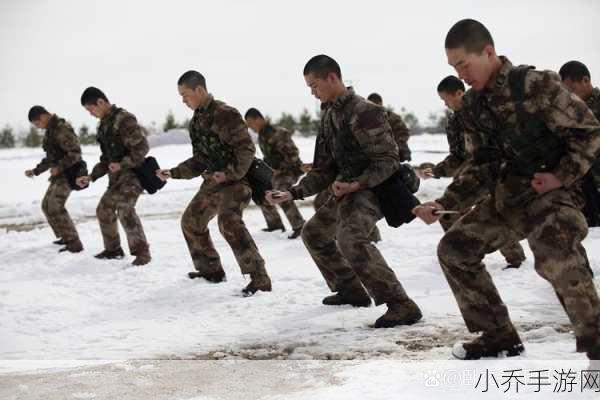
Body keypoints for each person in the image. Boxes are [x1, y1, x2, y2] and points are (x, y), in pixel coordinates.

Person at [413, 19, 600, 361]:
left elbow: (589, 132)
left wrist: (561, 175)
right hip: (507, 198)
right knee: (454, 249)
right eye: (454, 67)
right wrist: (445, 201)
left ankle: (597, 341)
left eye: (464, 64)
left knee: (554, 249)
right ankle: (498, 335)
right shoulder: (472, 106)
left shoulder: (535, 85)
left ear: (488, 52)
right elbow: (480, 164)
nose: (461, 74)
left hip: (551, 195)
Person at [267, 55, 422, 328]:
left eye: (314, 86)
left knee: (350, 237)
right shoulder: (329, 115)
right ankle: (351, 290)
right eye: (309, 88)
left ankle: (401, 304)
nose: (313, 93)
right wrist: (294, 192)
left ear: (332, 78)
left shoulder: (365, 111)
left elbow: (388, 161)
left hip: (375, 187)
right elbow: (324, 169)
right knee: (314, 233)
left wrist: (356, 184)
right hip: (348, 189)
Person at [156, 70, 271, 296]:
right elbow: (200, 159)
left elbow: (246, 149)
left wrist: (229, 174)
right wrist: (174, 172)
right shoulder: (196, 122)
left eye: (185, 95)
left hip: (237, 180)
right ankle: (211, 270)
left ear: (199, 90)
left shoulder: (225, 113)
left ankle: (259, 278)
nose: (183, 100)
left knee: (229, 221)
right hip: (213, 182)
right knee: (191, 221)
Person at [77, 87, 151, 266]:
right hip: (116, 178)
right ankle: (113, 250)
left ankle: (142, 254)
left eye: (91, 109)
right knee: (104, 209)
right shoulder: (104, 125)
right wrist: (91, 176)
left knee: (125, 209)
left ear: (101, 102)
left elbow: (142, 148)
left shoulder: (124, 119)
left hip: (133, 175)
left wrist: (122, 164)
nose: (91, 114)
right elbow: (106, 160)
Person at [25, 106, 84, 253]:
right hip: (59, 174)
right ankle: (65, 236)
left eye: (37, 124)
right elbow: (51, 158)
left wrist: (60, 167)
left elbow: (75, 153)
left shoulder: (61, 129)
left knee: (55, 205)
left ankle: (74, 243)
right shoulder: (51, 132)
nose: (38, 127)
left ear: (43, 117)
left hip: (70, 172)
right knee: (46, 205)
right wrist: (36, 171)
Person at [245, 107, 305, 239]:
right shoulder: (262, 135)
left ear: (258, 119)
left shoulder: (277, 132)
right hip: (277, 172)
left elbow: (293, 155)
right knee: (261, 191)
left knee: (280, 191)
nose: (251, 128)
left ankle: (299, 226)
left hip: (291, 170)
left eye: (251, 124)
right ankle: (275, 225)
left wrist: (279, 168)